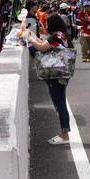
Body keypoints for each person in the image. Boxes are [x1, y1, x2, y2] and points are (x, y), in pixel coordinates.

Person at [27, 14, 75, 145]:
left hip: (56, 75)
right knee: (60, 103)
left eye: (47, 24)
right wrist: (33, 38)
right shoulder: (61, 34)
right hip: (62, 72)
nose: (46, 26)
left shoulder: (55, 36)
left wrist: (29, 39)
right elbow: (44, 44)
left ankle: (64, 135)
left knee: (59, 104)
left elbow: (42, 47)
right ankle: (63, 133)